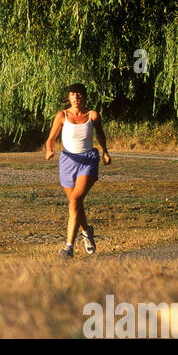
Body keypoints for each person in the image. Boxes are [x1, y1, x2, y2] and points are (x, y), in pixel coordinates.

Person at [43, 83, 112, 260]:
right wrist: (49, 149)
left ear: (84, 97)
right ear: (69, 97)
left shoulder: (92, 115)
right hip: (67, 161)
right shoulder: (62, 115)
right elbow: (51, 138)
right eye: (72, 95)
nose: (76, 98)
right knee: (76, 204)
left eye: (79, 95)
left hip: (88, 160)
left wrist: (105, 151)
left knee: (75, 199)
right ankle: (87, 232)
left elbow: (100, 134)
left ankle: (69, 247)